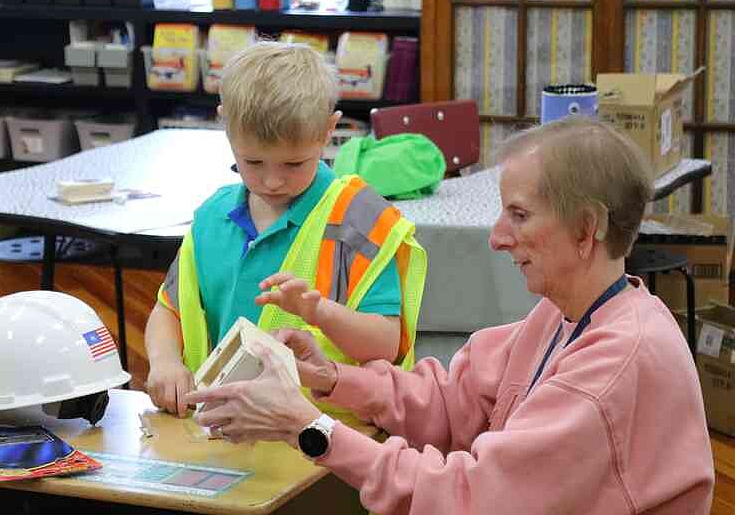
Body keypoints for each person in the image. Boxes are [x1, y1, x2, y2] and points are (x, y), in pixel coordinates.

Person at [185, 117, 715, 514]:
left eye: (520, 215)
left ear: (586, 228)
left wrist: (308, 427)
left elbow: (472, 498)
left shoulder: (614, 363)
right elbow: (449, 400)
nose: (497, 237)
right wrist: (330, 378)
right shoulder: (564, 318)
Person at [145, 41, 427, 417]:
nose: (273, 181)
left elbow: (385, 345)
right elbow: (169, 310)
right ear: (224, 124)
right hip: (226, 430)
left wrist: (321, 312)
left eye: (294, 164)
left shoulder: (359, 219)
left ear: (329, 130)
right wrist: (164, 362)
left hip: (326, 442)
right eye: (254, 161)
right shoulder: (212, 217)